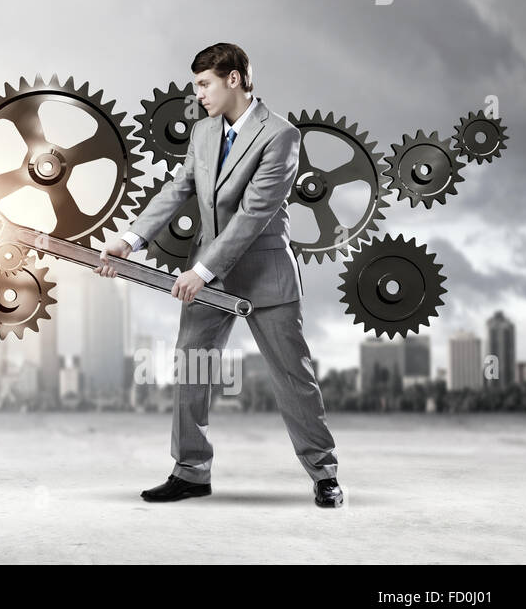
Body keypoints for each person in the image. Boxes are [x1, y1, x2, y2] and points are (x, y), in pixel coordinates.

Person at [98, 43, 343, 508]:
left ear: (234, 79)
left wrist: (203, 270)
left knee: (293, 377)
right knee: (192, 368)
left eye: (204, 84)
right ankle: (190, 472)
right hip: (207, 275)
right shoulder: (205, 132)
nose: (199, 94)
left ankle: (324, 472)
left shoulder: (281, 135)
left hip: (263, 274)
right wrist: (130, 240)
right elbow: (179, 188)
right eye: (196, 85)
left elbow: (254, 213)